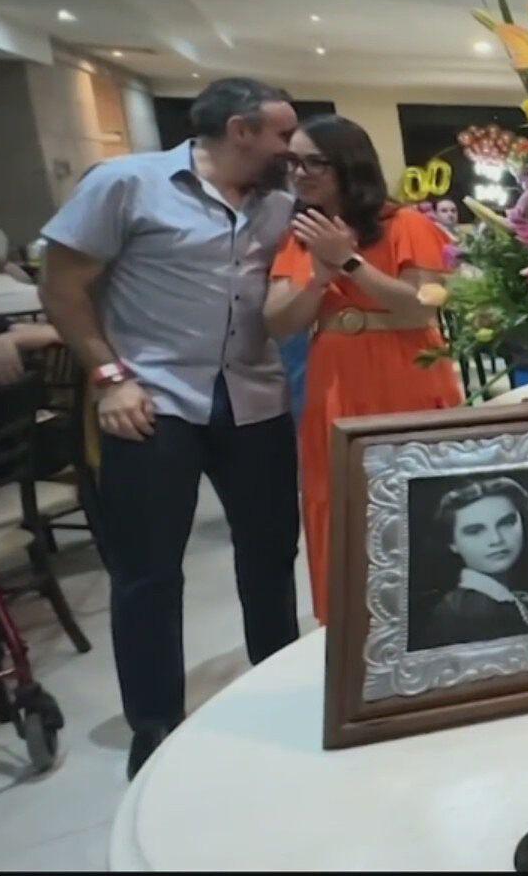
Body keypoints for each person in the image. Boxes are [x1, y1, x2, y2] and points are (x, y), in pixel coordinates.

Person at [39, 77, 304, 779]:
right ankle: (154, 727)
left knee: (271, 554)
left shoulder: (279, 199)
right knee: (148, 572)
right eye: (282, 133)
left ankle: (278, 690)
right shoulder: (128, 184)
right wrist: (109, 377)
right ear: (241, 130)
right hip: (152, 401)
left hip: (254, 397)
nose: (291, 146)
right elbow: (61, 286)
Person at [264, 115, 463, 625]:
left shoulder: (407, 224)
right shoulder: (300, 236)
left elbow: (420, 307)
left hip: (406, 371)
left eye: (314, 162)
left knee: (421, 495)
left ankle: (437, 616)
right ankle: (354, 625)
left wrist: (349, 263)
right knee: (341, 497)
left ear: (349, 165)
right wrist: (318, 276)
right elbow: (279, 322)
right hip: (336, 380)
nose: (300, 173)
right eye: (292, 162)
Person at [413, 476, 528, 650]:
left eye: (506, 523)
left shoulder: (515, 600)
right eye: (475, 531)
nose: (496, 539)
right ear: (452, 543)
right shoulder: (464, 613)